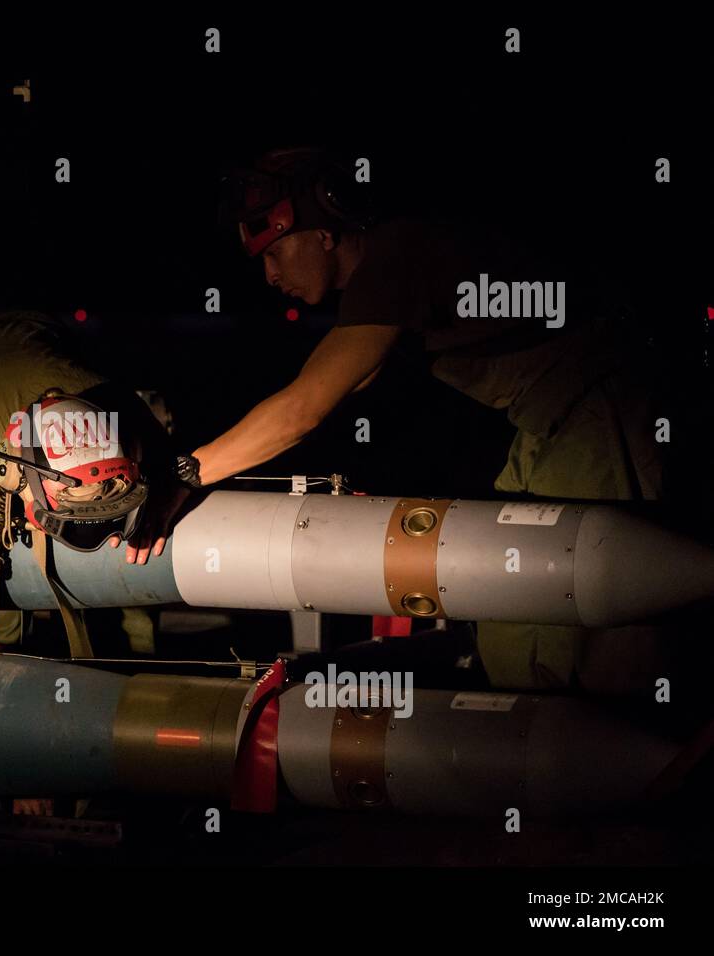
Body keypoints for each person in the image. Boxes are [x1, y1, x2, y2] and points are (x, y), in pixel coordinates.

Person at [179, 148, 666, 692]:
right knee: (511, 616)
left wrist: (181, 477)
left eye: (275, 252)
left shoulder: (396, 262)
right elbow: (338, 387)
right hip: (551, 425)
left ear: (324, 234)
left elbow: (302, 410)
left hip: (601, 412)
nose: (269, 275)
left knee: (584, 623)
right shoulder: (390, 268)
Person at [0, 311, 175, 651]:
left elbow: (176, 467)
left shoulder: (119, 412)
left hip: (31, 326)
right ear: (12, 472)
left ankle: (131, 662)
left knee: (131, 604)